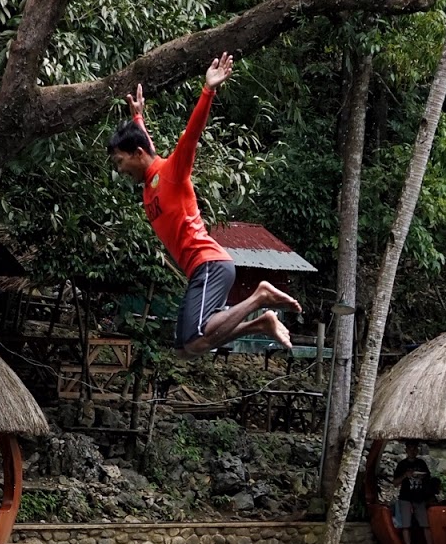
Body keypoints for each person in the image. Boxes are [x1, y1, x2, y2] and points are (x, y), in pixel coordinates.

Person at [109, 55, 302, 355]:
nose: (120, 170)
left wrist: (208, 91)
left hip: (209, 263)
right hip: (201, 269)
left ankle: (259, 297)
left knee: (198, 338)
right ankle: (262, 323)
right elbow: (146, 148)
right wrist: (138, 118)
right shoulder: (151, 180)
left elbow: (191, 133)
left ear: (135, 154)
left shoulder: (172, 173)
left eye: (120, 162)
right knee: (186, 348)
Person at [391, 441, 438, 544]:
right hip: (405, 498)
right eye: (410, 449)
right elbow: (395, 483)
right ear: (406, 450)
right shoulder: (401, 465)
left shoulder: (421, 463)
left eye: (414, 449)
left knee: (425, 524)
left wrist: (422, 477)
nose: (412, 451)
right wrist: (405, 475)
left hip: (420, 498)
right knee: (406, 525)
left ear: (417, 450)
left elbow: (429, 479)